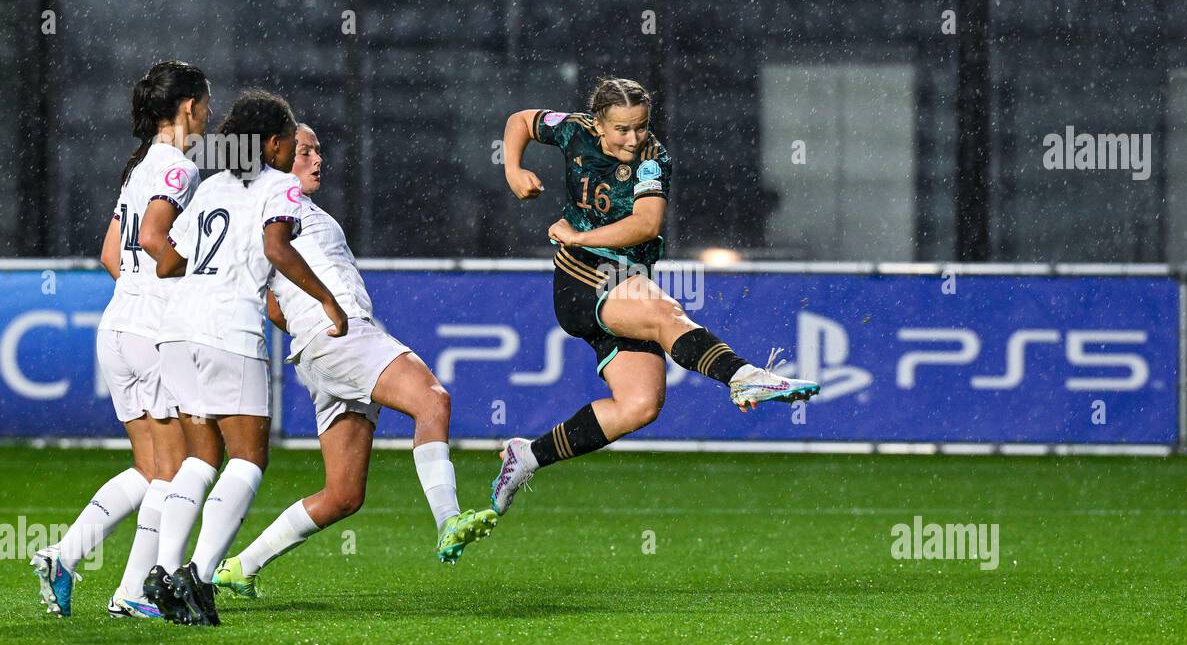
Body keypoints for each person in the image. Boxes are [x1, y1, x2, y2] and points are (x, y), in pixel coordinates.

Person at [489, 77, 820, 515]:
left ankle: (527, 456)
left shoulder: (652, 160)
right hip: (583, 276)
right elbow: (520, 121)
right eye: (622, 129)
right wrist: (513, 168)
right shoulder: (574, 129)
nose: (633, 139)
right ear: (599, 124)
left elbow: (646, 225)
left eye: (641, 127)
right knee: (666, 312)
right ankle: (743, 378)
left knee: (640, 406)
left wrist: (577, 231)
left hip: (622, 279)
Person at [212, 124, 496, 602]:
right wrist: (329, 318)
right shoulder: (277, 205)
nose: (318, 159)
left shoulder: (285, 210)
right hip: (340, 337)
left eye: (319, 150)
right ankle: (449, 519)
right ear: (277, 155)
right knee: (432, 401)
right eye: (305, 151)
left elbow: (274, 305)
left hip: (318, 348)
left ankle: (240, 566)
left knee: (343, 496)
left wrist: (311, 332)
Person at [143, 90, 347, 626]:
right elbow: (278, 248)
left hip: (177, 332)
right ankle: (199, 575)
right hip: (228, 331)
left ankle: (163, 573)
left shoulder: (210, 187)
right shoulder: (280, 186)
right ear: (274, 144)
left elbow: (168, 263)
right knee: (248, 459)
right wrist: (327, 299)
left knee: (199, 459)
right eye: (288, 143)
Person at [31, 60, 209, 619]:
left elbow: (113, 254)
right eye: (205, 103)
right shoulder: (180, 168)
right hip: (153, 334)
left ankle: (64, 555)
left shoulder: (138, 169)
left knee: (150, 470)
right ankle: (133, 590)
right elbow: (156, 240)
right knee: (176, 471)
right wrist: (191, 277)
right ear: (187, 108)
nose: (208, 114)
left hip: (118, 328)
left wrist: (140, 292)